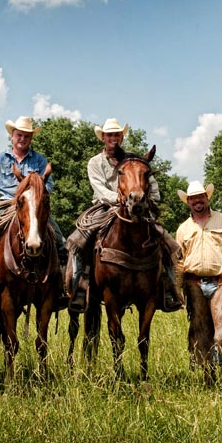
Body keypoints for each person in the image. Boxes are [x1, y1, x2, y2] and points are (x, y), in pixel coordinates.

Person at [65, 118, 182, 313]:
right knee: (77, 240)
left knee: (165, 239)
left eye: (117, 135)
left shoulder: (134, 161)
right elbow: (99, 189)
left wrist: (145, 200)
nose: (113, 138)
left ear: (122, 137)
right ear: (103, 137)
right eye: (109, 135)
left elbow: (153, 188)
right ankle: (78, 286)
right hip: (103, 207)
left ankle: (168, 287)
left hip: (136, 207)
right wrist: (121, 199)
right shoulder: (95, 162)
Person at [0, 116, 66, 300]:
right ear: (12, 136)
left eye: (27, 136)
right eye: (19, 135)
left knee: (59, 237)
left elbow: (49, 183)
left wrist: (37, 193)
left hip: (31, 205)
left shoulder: (39, 160)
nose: (23, 139)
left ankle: (61, 283)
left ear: (31, 138)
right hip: (4, 204)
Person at [175, 181, 222, 383]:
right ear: (188, 202)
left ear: (207, 198)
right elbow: (179, 262)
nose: (197, 201)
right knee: (200, 328)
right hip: (193, 284)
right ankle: (207, 375)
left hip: (221, 281)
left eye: (201, 197)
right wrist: (177, 289)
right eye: (193, 198)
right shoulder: (183, 229)